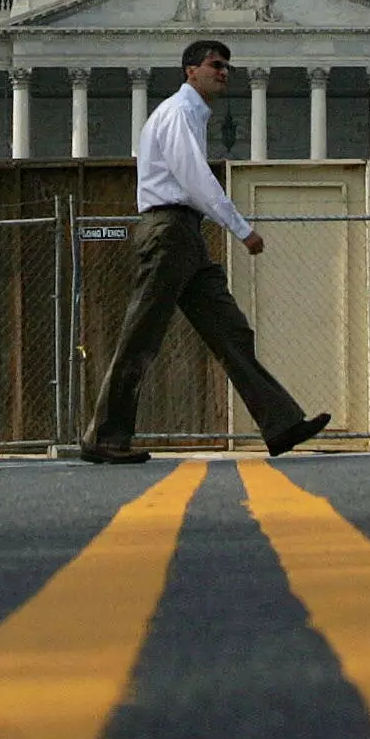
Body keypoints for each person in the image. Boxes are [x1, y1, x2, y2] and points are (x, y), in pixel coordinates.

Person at [81, 39, 329, 465]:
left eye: (227, 67)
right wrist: (241, 228)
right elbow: (195, 178)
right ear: (190, 71)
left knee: (231, 332)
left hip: (184, 233)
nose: (223, 73)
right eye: (216, 65)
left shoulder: (191, 114)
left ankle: (281, 424)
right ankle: (104, 436)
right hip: (169, 230)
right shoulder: (178, 113)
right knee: (141, 336)